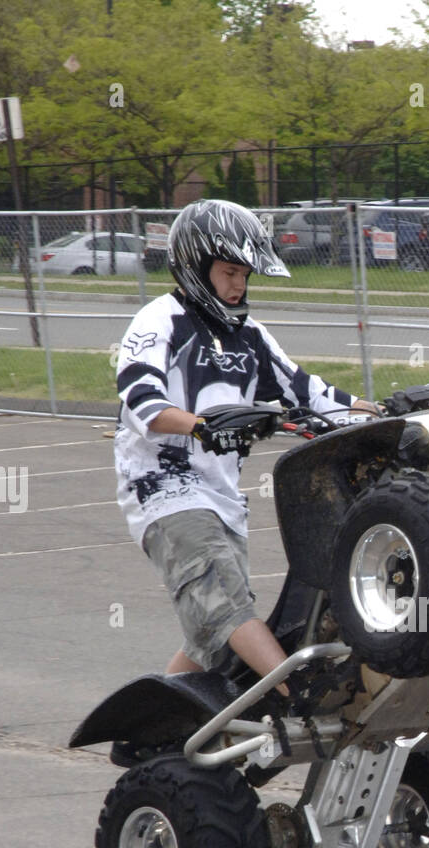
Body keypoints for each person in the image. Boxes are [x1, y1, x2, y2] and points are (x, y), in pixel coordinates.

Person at [113, 198, 376, 690]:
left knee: (211, 627)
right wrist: (199, 425)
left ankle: (148, 728)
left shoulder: (249, 335)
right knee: (228, 609)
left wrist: (382, 412)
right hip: (164, 491)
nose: (239, 284)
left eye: (245, 274)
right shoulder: (161, 320)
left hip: (222, 498)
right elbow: (141, 399)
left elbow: (309, 393)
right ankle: (292, 692)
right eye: (230, 271)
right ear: (196, 264)